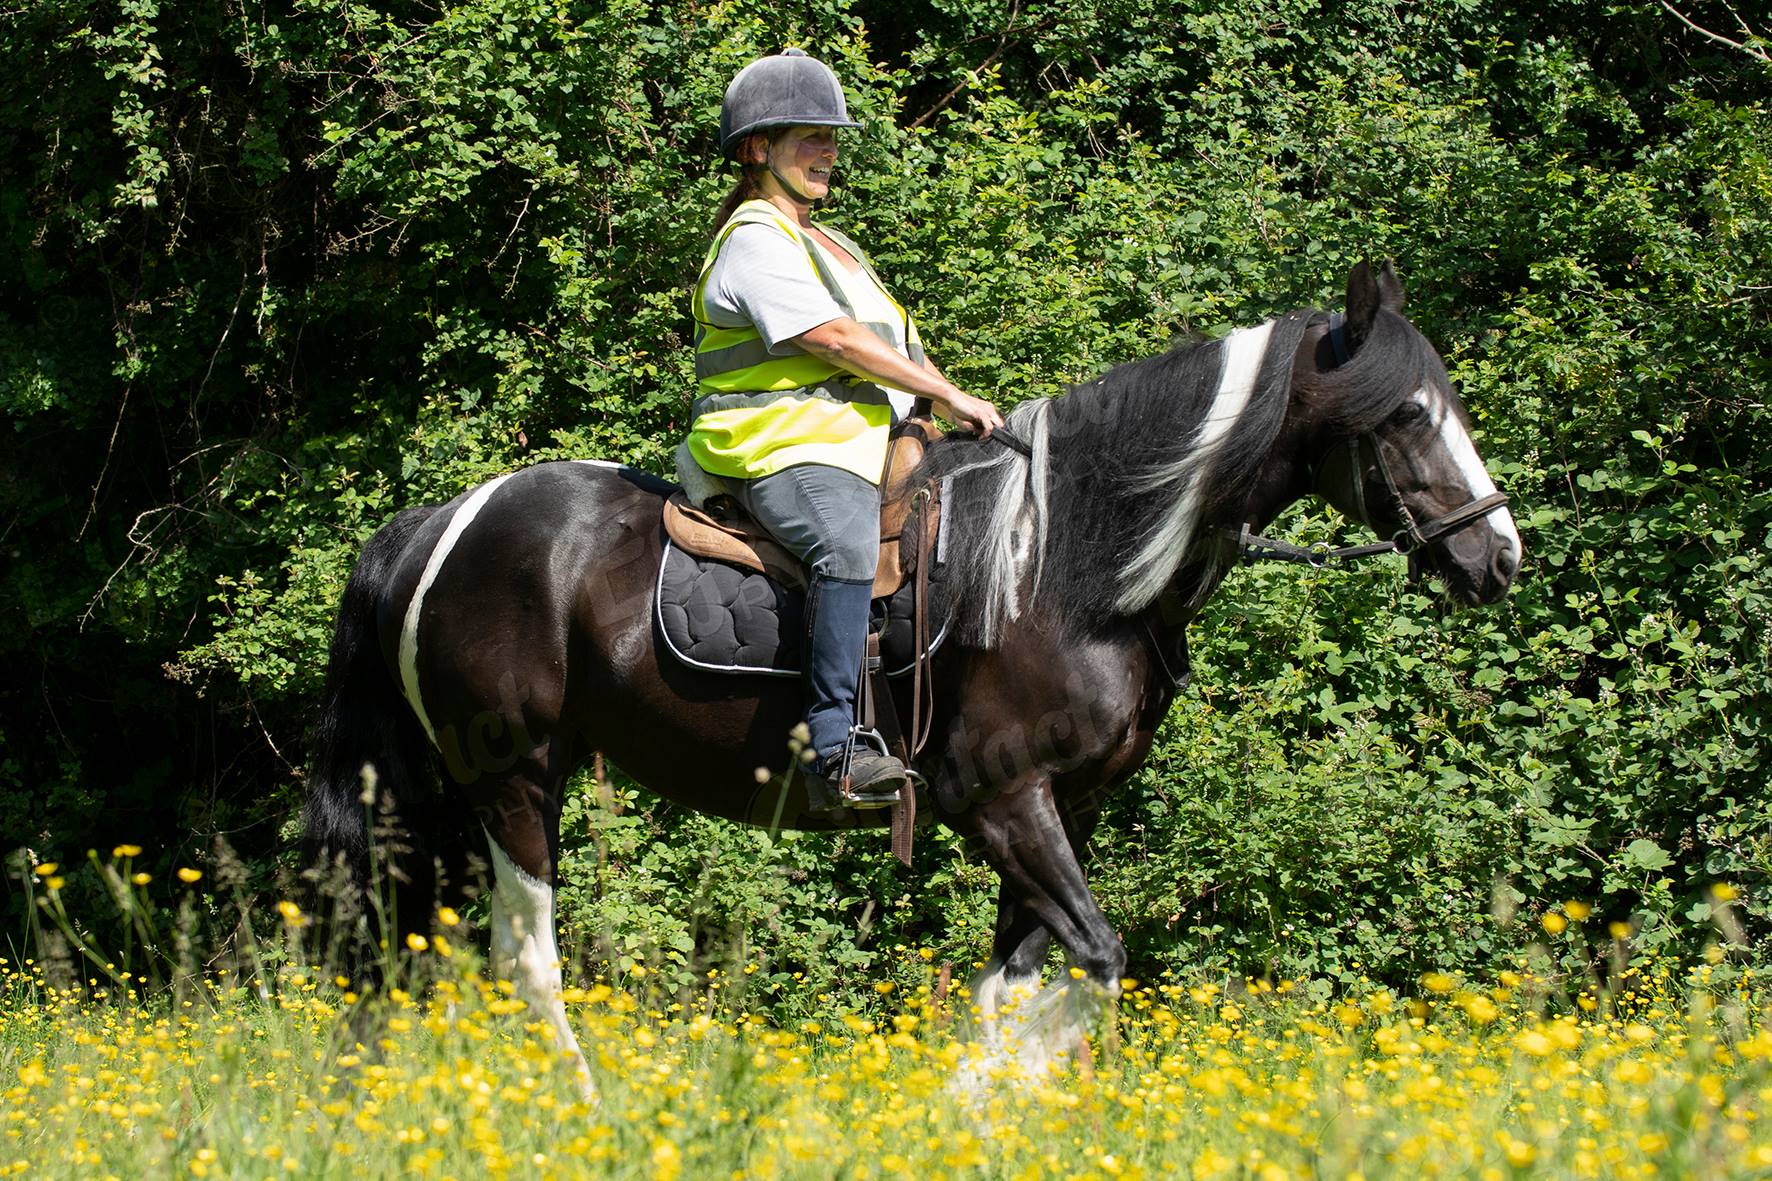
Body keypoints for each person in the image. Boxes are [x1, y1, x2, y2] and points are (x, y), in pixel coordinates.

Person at [682, 48, 1004, 807]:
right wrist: (949, 393)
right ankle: (838, 745)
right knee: (846, 539)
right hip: (780, 447)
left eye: (833, 137)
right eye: (811, 137)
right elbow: (834, 340)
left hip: (868, 444)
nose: (830, 150)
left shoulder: (832, 245)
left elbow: (887, 345)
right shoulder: (755, 237)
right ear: (758, 150)